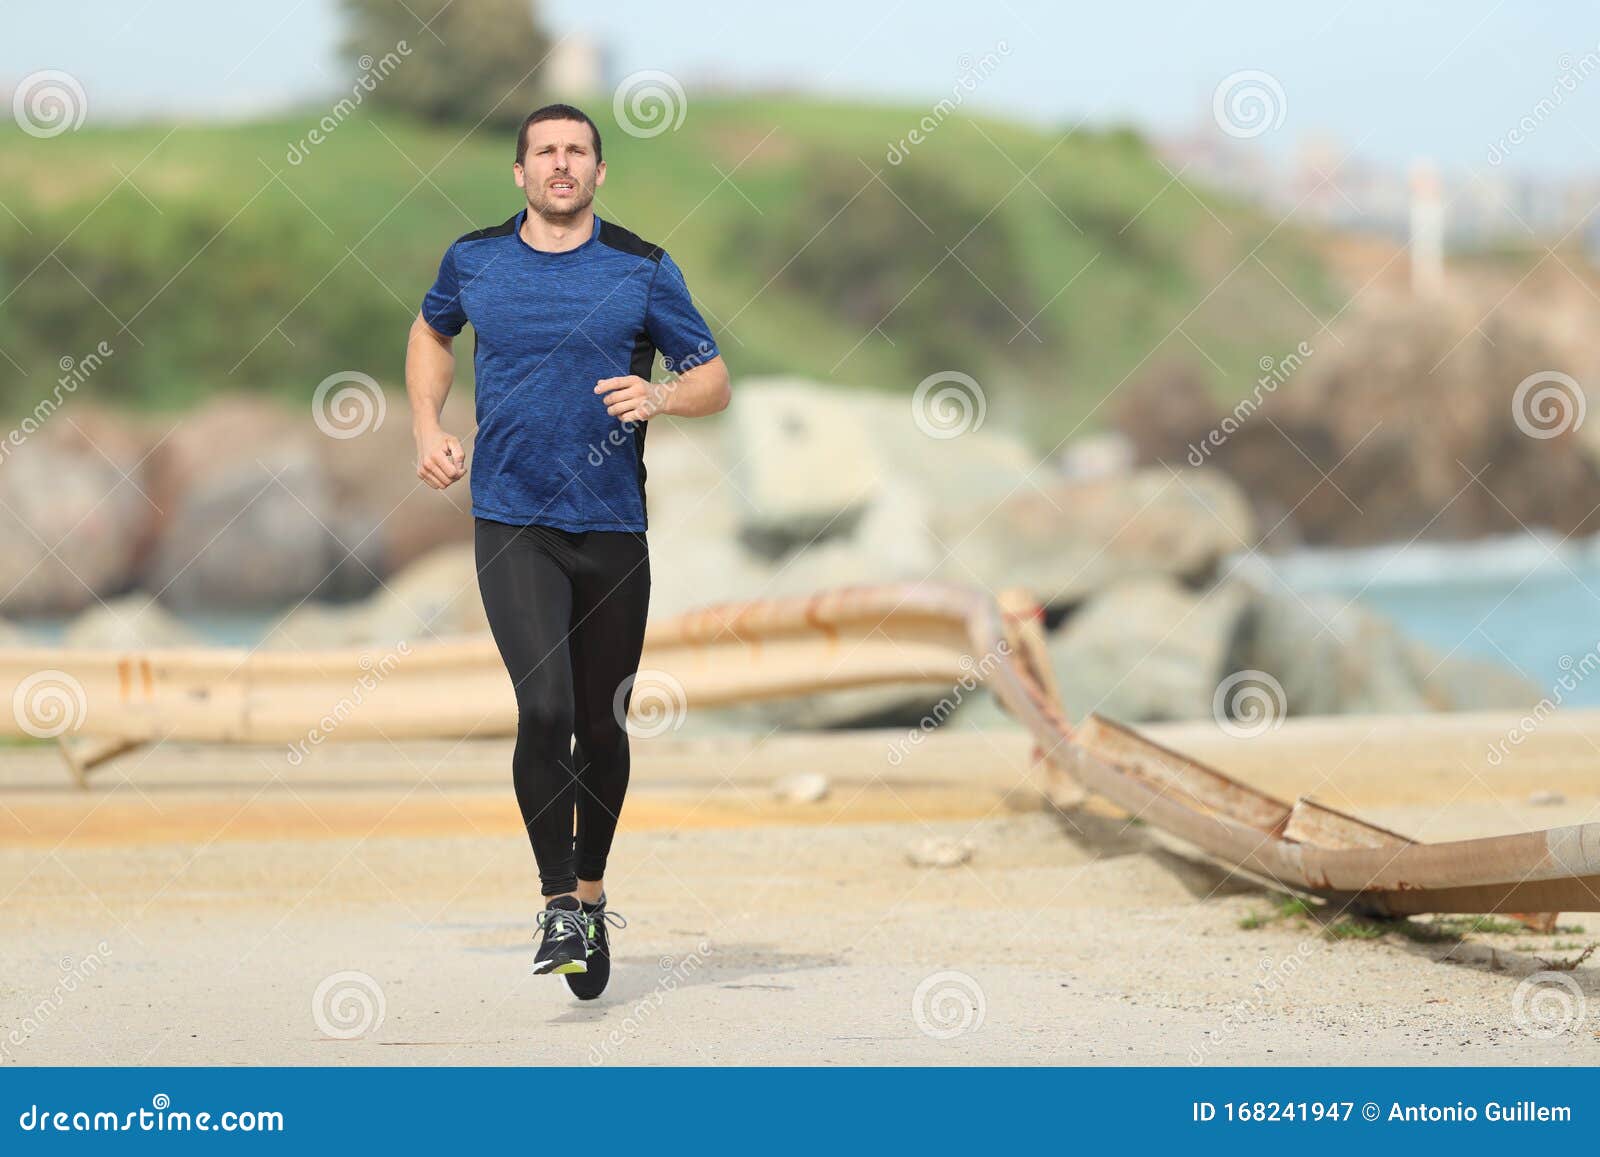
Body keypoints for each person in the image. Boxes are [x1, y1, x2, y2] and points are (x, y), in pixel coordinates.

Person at [404, 102, 730, 1000]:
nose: (560, 164)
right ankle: (556, 900)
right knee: (543, 708)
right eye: (545, 151)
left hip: (614, 527)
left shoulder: (642, 267)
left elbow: (711, 378)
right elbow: (432, 330)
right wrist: (427, 425)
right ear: (519, 172)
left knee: (603, 721)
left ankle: (589, 897)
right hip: (512, 518)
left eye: (577, 151)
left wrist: (661, 399)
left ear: (598, 171)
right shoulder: (475, 260)